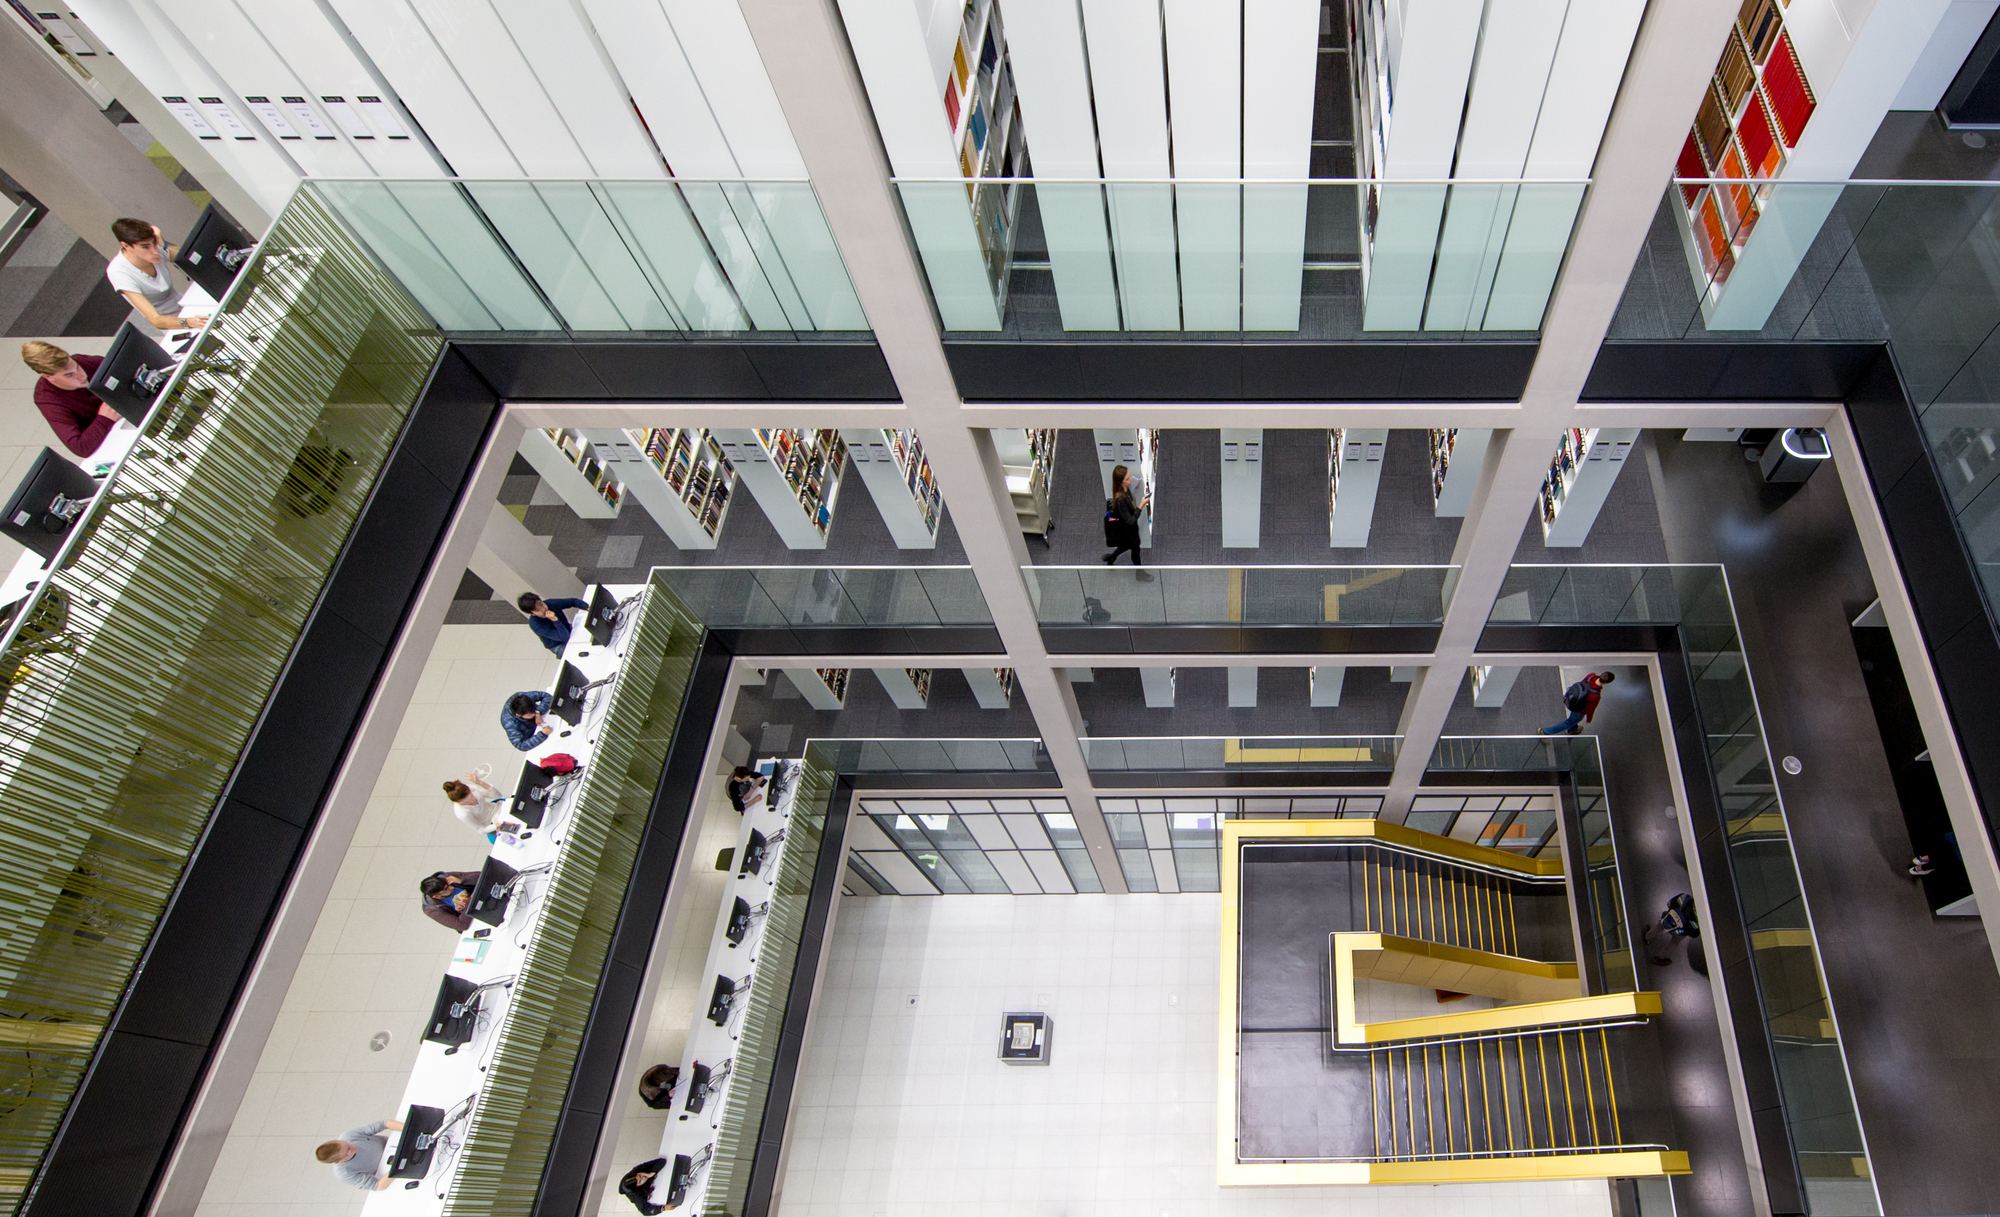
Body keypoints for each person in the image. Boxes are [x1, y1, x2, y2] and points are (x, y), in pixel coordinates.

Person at [106, 218, 206, 337]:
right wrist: (188, 322)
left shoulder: (157, 248)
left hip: (187, 305)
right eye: (145, 247)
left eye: (154, 244)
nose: (154, 251)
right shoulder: (118, 272)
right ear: (126, 246)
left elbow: (191, 258)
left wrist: (162, 243)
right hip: (172, 324)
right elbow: (155, 319)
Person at [21, 341, 122, 457]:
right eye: (69, 375)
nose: (82, 376)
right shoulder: (48, 399)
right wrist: (105, 418)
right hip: (109, 435)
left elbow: (125, 368)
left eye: (77, 368)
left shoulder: (82, 361)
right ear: (48, 376)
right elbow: (80, 448)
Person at [315, 1117, 404, 1191]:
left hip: (398, 1145)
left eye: (348, 1144)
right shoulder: (343, 1173)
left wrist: (410, 1128)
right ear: (338, 1161)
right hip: (391, 1168)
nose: (354, 1147)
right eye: (348, 1150)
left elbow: (384, 1124)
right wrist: (398, 1165)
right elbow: (378, 1186)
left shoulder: (348, 1136)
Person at [1101, 463, 1149, 568]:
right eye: (1127, 479)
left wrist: (1134, 486)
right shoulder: (1121, 500)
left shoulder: (1124, 491)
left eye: (1129, 476)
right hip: (1128, 531)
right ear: (1121, 482)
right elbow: (1130, 521)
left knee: (1125, 546)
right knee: (1135, 551)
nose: (1130, 480)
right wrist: (1141, 506)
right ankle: (1139, 572)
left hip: (1127, 532)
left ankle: (1112, 557)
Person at [443, 771, 515, 840]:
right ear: (459, 802)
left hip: (499, 808)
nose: (473, 798)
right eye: (468, 800)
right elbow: (481, 830)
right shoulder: (462, 813)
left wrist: (480, 782)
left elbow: (498, 795)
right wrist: (498, 825)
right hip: (493, 823)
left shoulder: (471, 789)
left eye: (471, 795)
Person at [1541, 670, 1615, 736]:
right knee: (1569, 722)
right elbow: (1590, 709)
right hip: (1579, 710)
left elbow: (1582, 684)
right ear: (1606, 683)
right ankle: (1545, 732)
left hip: (1573, 700)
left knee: (1573, 720)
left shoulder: (1591, 676)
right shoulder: (1595, 696)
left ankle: (1573, 730)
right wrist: (1589, 719)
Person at [517, 592, 590, 656]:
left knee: (589, 635)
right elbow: (565, 637)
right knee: (579, 652)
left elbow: (572, 601)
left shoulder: (550, 603)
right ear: (532, 613)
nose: (544, 609)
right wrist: (555, 620)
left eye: (541, 604)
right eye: (538, 610)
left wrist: (587, 607)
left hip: (567, 629)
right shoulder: (536, 625)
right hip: (558, 644)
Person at [1643, 891, 1700, 966]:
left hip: (1667, 920)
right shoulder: (1698, 920)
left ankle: (1647, 937)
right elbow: (1694, 934)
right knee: (1674, 942)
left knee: (1658, 926)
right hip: (1680, 932)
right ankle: (1659, 958)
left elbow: (1669, 903)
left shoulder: (1684, 898)